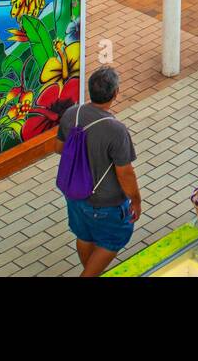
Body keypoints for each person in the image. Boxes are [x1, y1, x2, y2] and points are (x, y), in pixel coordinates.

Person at [51, 66, 140, 277]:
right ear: (116, 93)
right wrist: (136, 200)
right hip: (105, 204)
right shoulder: (116, 130)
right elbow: (125, 173)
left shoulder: (73, 113)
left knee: (84, 236)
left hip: (74, 195)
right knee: (113, 239)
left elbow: (58, 148)